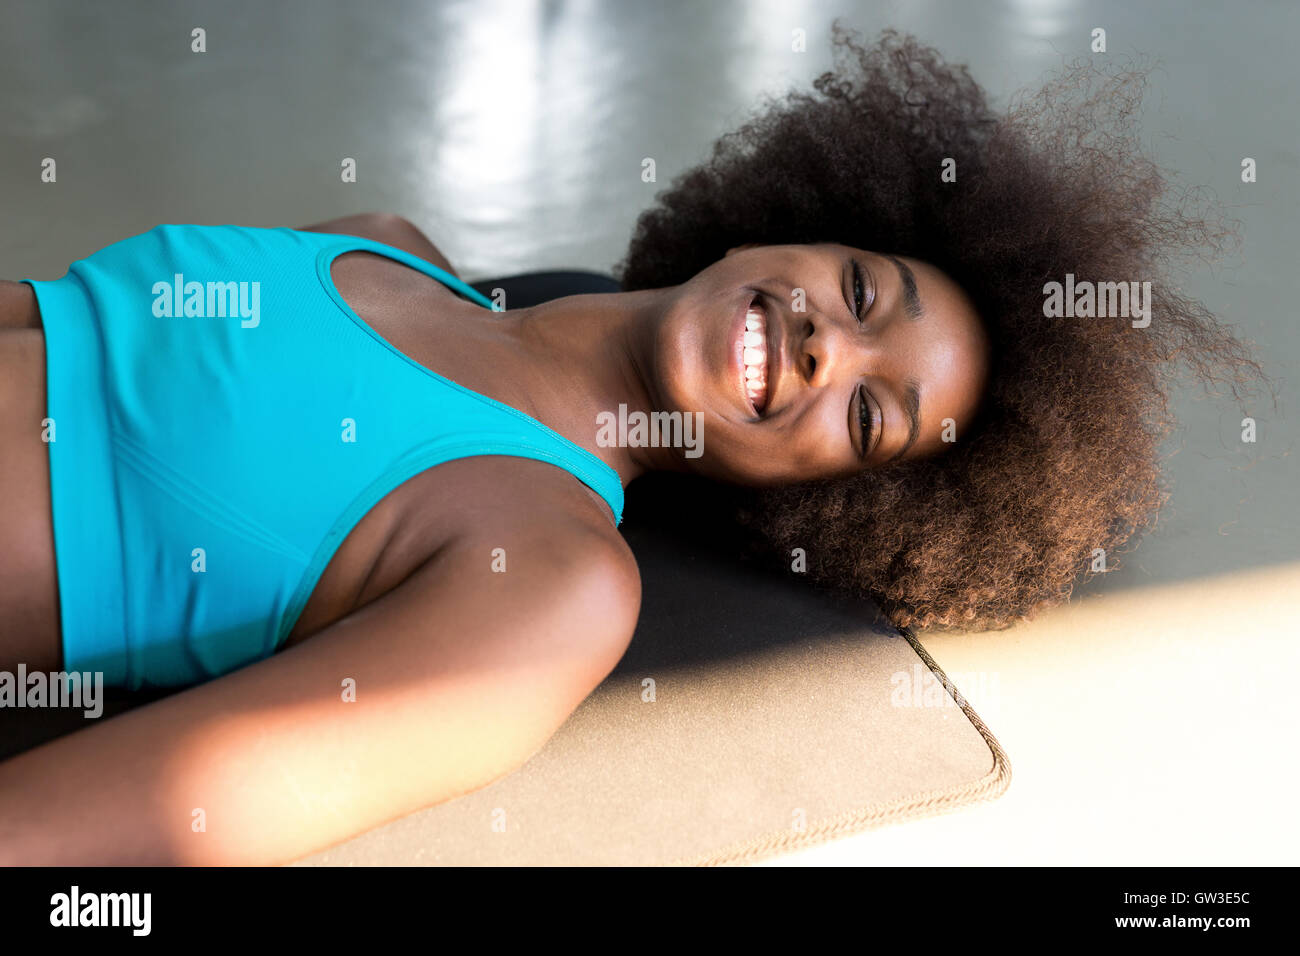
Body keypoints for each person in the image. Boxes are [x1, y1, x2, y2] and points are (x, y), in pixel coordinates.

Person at [0, 28, 1262, 863]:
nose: (832, 350)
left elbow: (73, 835)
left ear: (829, 501)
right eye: (865, 290)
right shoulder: (380, 241)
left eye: (866, 417)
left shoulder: (548, 579)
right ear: (796, 224)